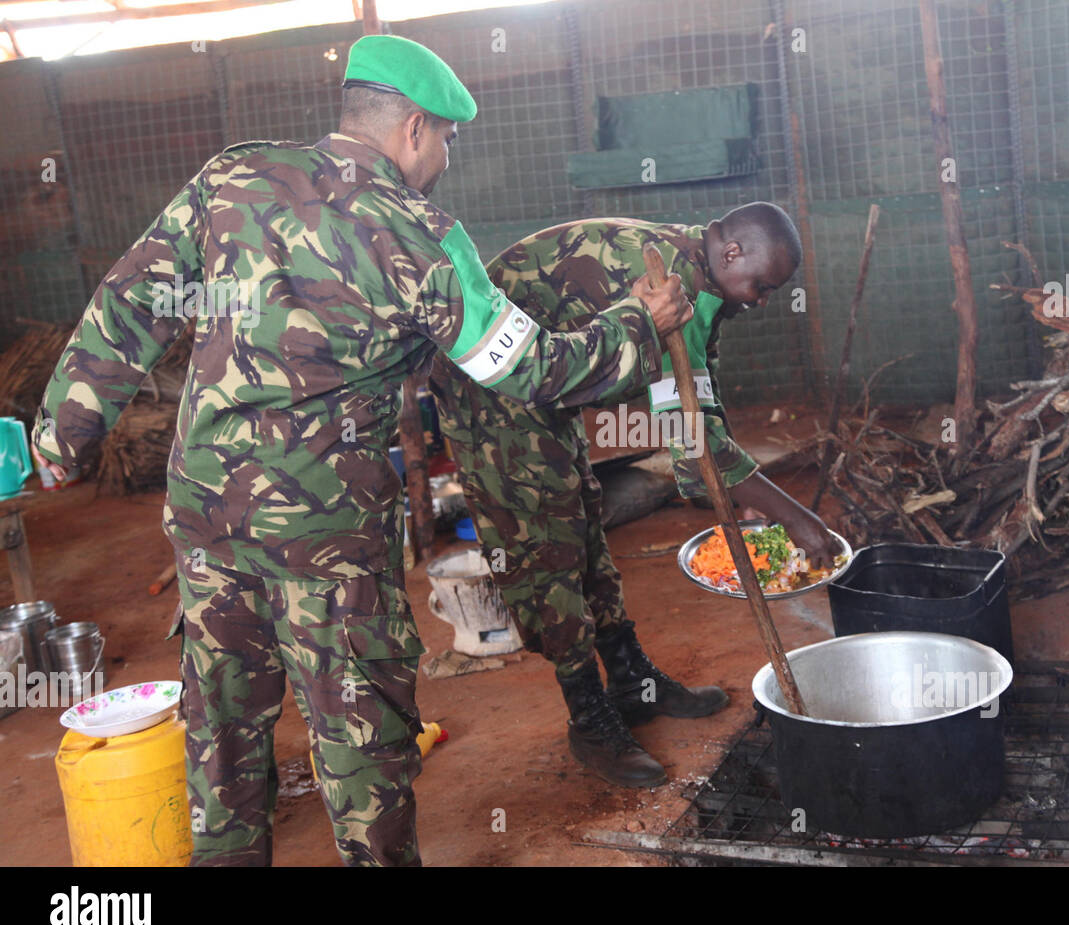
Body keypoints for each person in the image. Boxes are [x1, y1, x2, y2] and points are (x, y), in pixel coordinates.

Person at [31, 35, 693, 866]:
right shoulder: (420, 237)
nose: (444, 157)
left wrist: (64, 434)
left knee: (224, 721)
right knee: (360, 738)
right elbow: (529, 369)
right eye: (446, 138)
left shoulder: (233, 178)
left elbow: (129, 304)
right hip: (325, 537)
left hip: (207, 515)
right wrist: (638, 323)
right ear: (415, 127)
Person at [427, 204, 839, 787]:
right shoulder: (667, 277)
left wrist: (725, 481)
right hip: (491, 390)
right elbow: (696, 442)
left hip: (547, 388)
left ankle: (631, 682)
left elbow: (693, 406)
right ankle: (589, 718)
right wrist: (792, 516)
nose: (763, 299)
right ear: (731, 254)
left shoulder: (698, 278)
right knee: (546, 543)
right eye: (763, 286)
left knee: (581, 517)